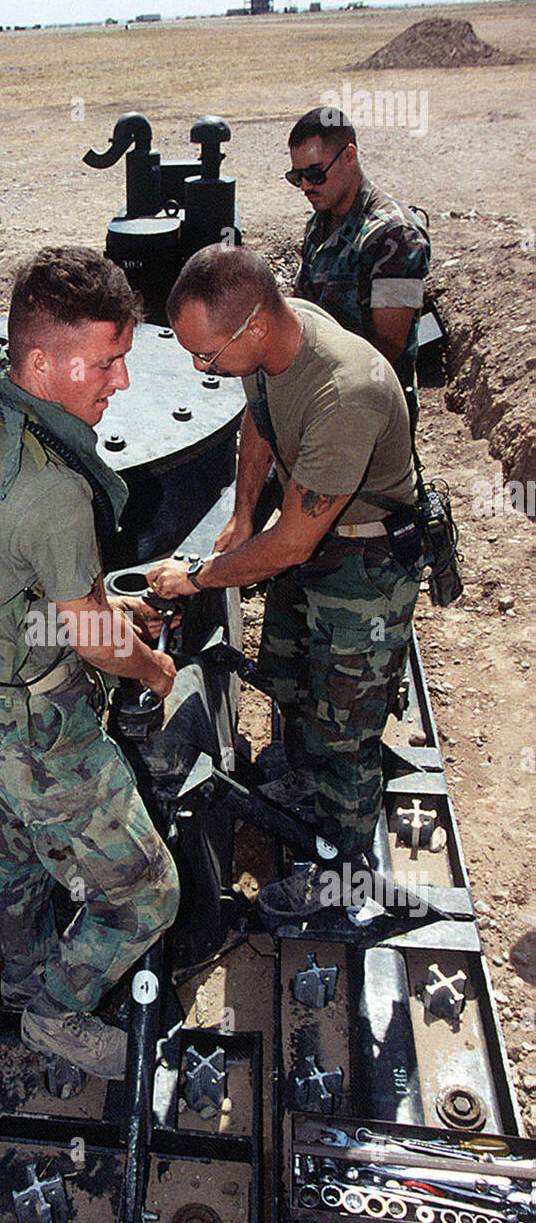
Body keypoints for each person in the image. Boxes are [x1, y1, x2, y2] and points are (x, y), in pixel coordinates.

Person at [0, 247, 180, 1079]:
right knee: (146, 892)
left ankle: (21, 974)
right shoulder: (51, 487)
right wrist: (153, 670)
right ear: (42, 362)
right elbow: (90, 643)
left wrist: (99, 605)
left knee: (21, 840)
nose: (122, 381)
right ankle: (53, 1014)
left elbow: (32, 590)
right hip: (38, 726)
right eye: (105, 361)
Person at [146, 245, 422, 921]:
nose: (200, 368)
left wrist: (196, 577)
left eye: (206, 355)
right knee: (290, 678)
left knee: (345, 731)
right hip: (316, 542)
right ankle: (306, 781)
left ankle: (343, 875)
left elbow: (294, 541)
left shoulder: (346, 391)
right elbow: (260, 421)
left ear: (256, 327)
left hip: (365, 564)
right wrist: (243, 512)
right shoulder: (273, 344)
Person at [287, 107, 431, 434]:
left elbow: (389, 345)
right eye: (297, 177)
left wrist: (322, 392)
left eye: (315, 173)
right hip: (319, 395)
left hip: (372, 408)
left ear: (349, 156)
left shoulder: (395, 234)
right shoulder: (319, 224)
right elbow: (303, 310)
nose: (306, 186)